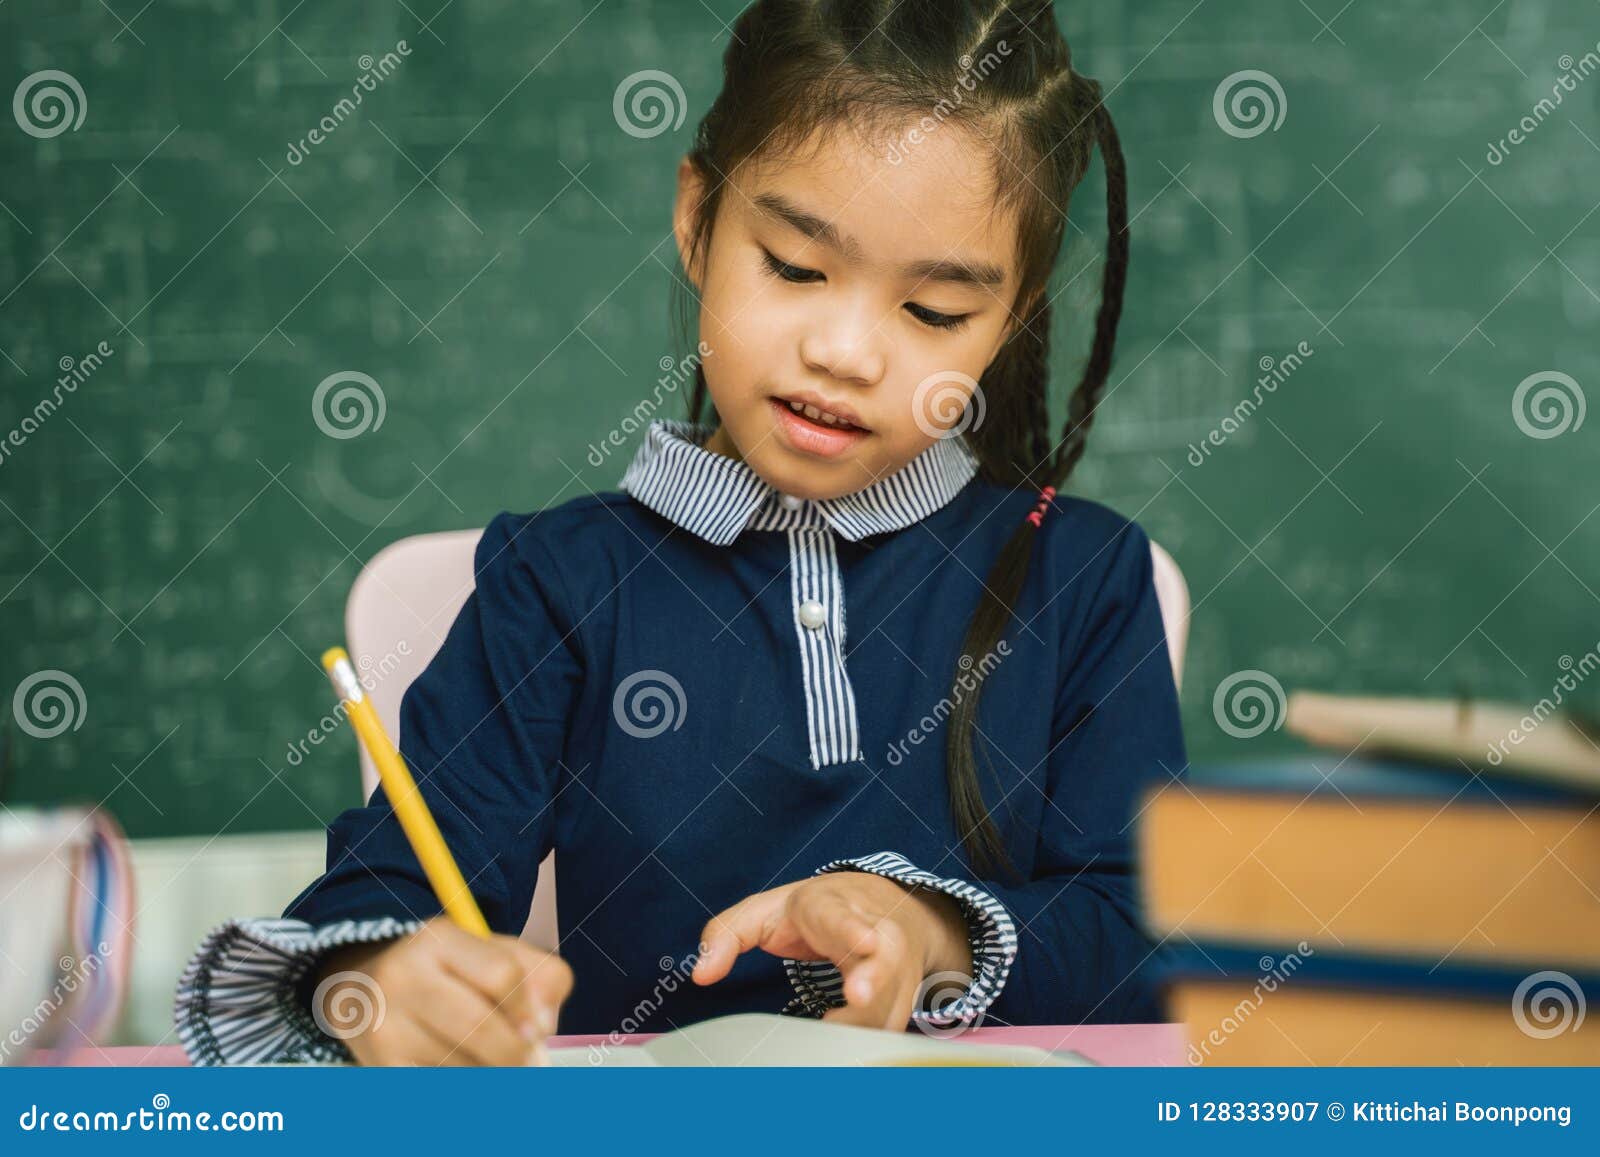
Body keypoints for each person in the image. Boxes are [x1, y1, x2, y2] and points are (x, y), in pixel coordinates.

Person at [174, 0, 1185, 1066]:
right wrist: (377, 980)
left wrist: (930, 935)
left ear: (1013, 318)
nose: (845, 352)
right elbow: (383, 896)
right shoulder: (559, 583)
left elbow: (1146, 940)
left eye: (933, 312)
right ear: (697, 218)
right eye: (795, 266)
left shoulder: (1085, 578)